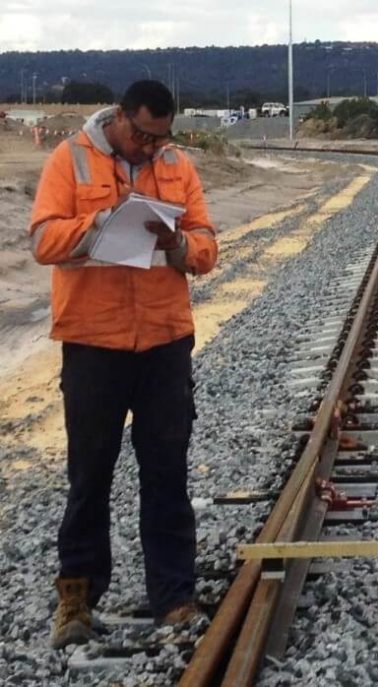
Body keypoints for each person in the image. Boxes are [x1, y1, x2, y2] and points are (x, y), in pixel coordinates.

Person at [29, 80, 218, 649]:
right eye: (141, 135)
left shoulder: (177, 165)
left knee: (167, 473)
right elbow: (42, 239)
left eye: (159, 138)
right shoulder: (70, 159)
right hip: (93, 343)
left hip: (163, 341)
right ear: (118, 117)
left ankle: (175, 598)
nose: (148, 147)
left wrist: (177, 244)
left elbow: (207, 245)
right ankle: (78, 600)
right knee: (90, 475)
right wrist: (98, 225)